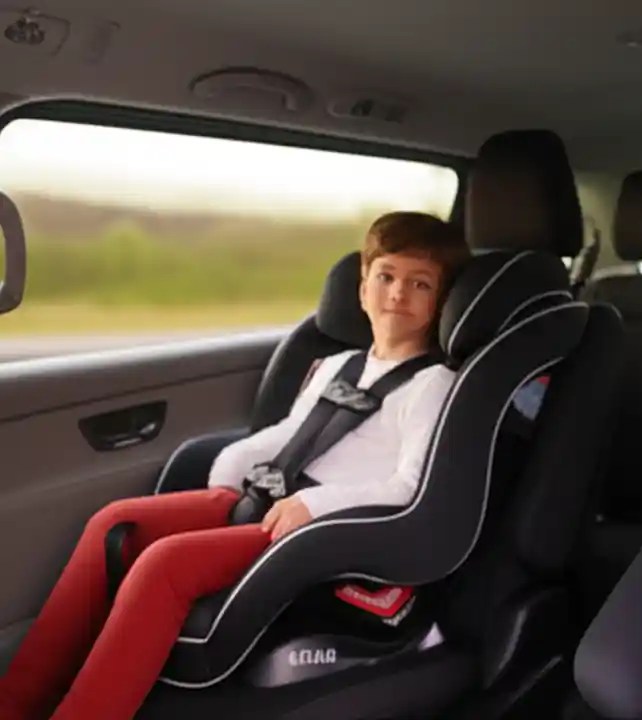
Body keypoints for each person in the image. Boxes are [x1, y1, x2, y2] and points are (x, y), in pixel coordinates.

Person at [0, 211, 470, 720]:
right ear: (362, 288)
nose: (398, 294)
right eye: (386, 277)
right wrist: (235, 465)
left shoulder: (433, 385)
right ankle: (16, 701)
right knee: (114, 522)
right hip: (271, 498)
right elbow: (291, 433)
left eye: (419, 284)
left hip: (326, 527)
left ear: (440, 303)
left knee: (164, 565)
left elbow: (411, 485)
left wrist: (314, 503)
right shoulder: (340, 365)